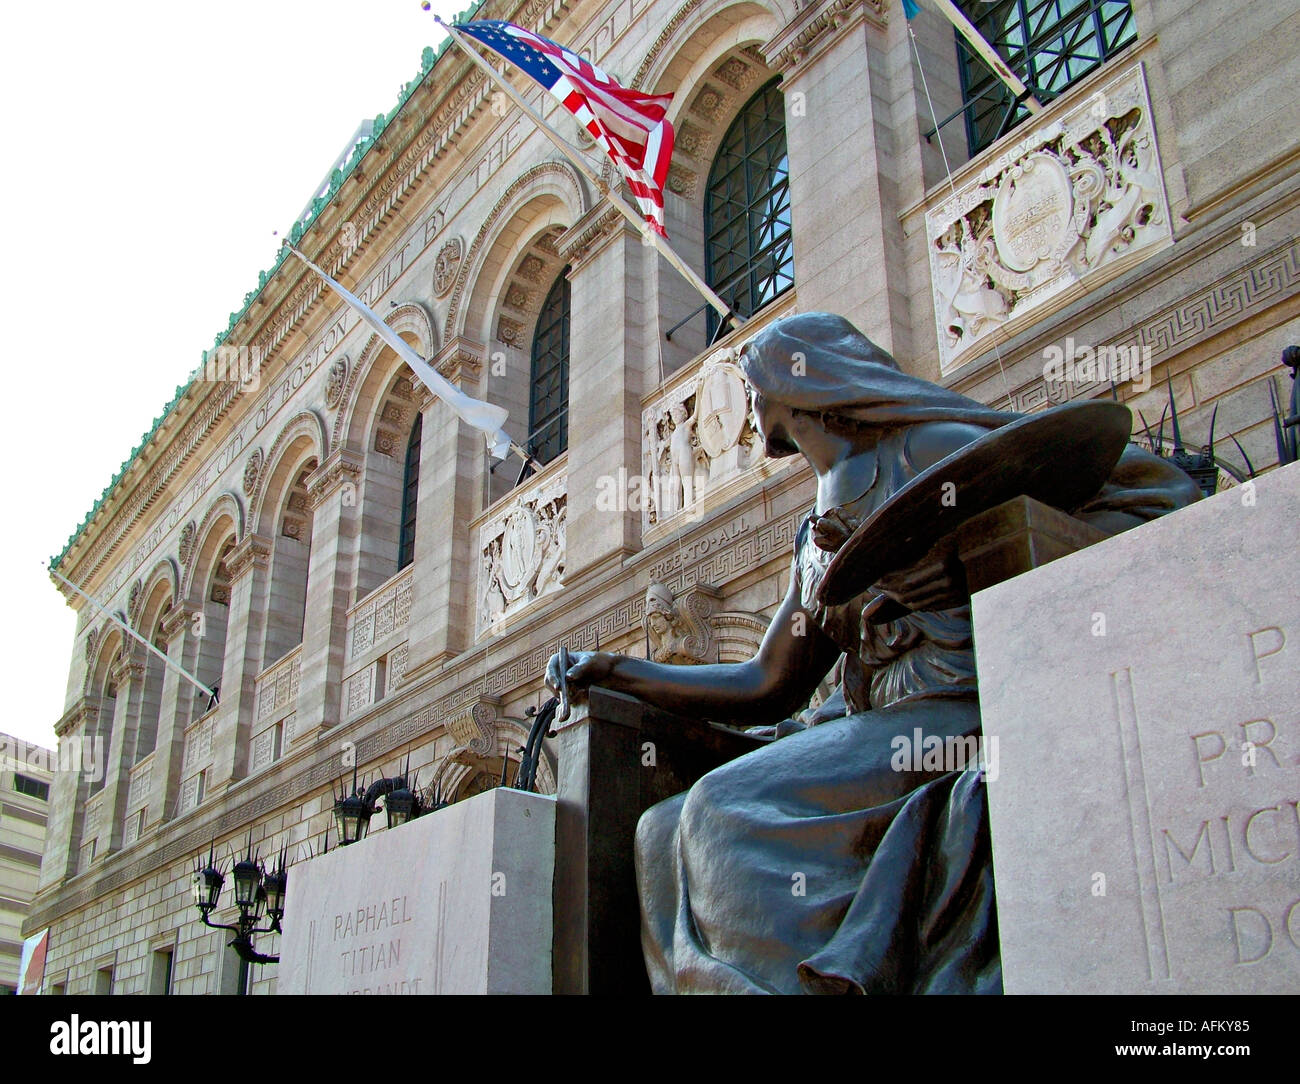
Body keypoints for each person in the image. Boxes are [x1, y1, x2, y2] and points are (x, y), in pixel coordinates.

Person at [547, 312, 1199, 994]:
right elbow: (768, 681)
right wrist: (618, 669)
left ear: (798, 381)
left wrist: (963, 565)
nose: (750, 399)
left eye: (756, 381)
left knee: (719, 809)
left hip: (952, 703)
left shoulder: (926, 450)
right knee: (658, 830)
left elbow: (1117, 498)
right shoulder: (813, 534)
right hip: (872, 726)